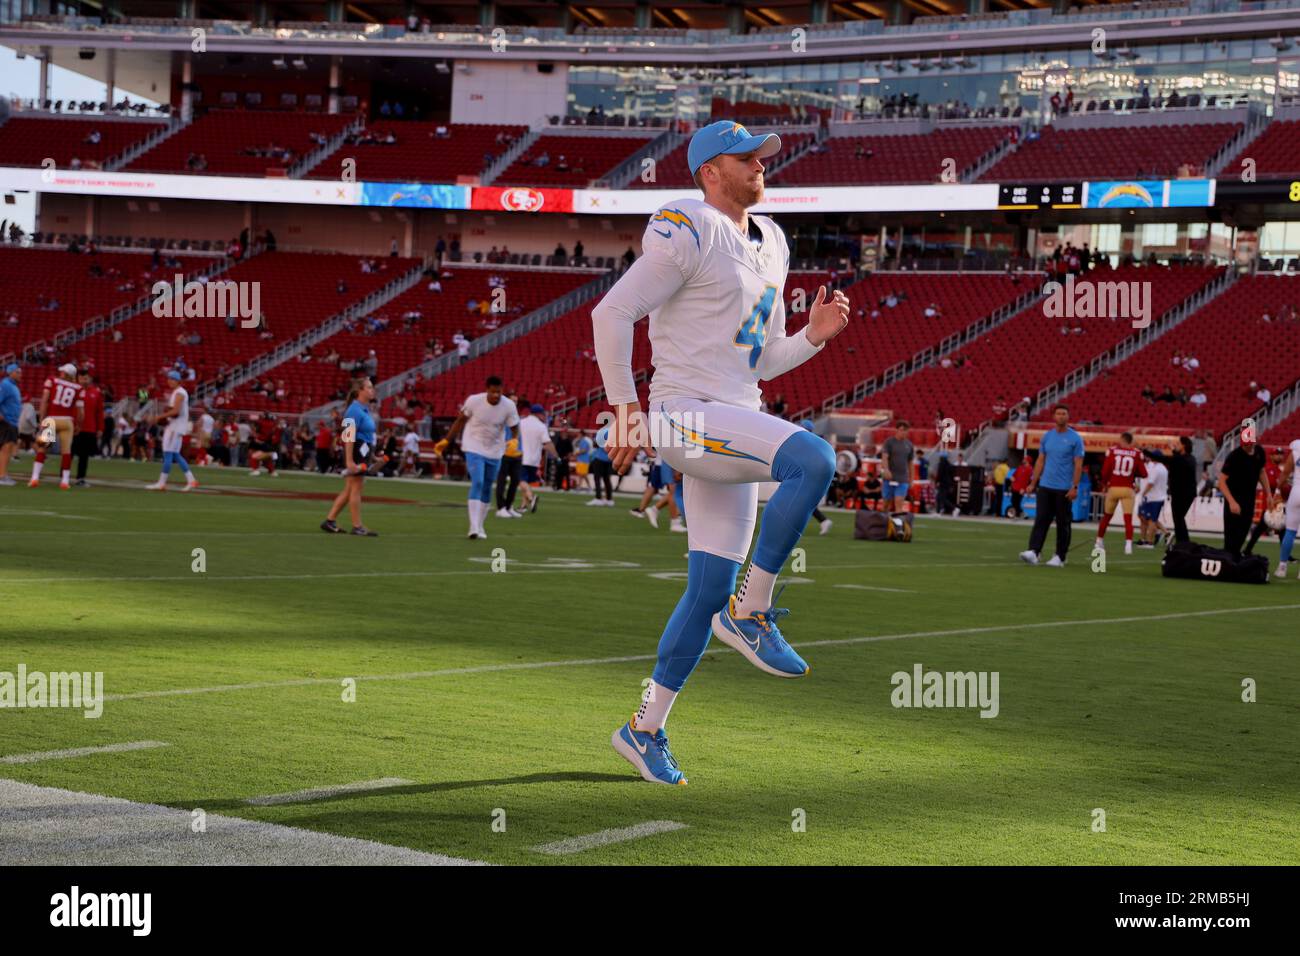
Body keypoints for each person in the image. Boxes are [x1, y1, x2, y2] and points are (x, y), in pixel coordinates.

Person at [593, 118, 849, 785]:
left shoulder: (771, 241)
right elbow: (611, 313)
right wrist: (624, 411)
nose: (762, 165)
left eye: (763, 156)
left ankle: (643, 729)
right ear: (710, 171)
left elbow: (760, 359)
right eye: (747, 157)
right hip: (682, 416)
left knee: (704, 588)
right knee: (814, 461)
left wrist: (814, 338)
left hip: (734, 414)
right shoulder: (688, 223)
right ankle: (754, 608)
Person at [436, 376, 519, 539]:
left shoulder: (509, 406)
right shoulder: (474, 401)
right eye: (493, 391)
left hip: (495, 450)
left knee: (487, 486)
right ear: (487, 389)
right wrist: (446, 440)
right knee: (478, 481)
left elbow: (515, 427)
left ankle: (480, 525)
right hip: (473, 445)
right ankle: (473, 527)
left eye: (499, 392)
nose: (496, 395)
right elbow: (460, 421)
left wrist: (514, 440)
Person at [1019, 404, 1084, 566]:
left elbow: (1078, 464)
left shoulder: (1075, 438)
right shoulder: (1047, 436)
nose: (1061, 416)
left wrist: (1074, 487)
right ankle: (1034, 551)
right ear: (1054, 417)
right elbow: (1040, 461)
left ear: (1068, 417)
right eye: (1058, 414)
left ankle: (1060, 556)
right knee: (1041, 520)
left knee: (1063, 523)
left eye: (1064, 413)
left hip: (1064, 488)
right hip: (1046, 485)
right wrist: (1033, 483)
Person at [321, 378, 379, 536]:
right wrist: (349, 461)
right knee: (356, 488)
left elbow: (366, 436)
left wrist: (372, 456)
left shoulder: (364, 409)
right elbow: (348, 437)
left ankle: (330, 521)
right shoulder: (353, 410)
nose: (372, 390)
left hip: (362, 450)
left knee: (349, 489)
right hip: (355, 451)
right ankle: (357, 526)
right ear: (360, 390)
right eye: (369, 387)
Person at [29, 363, 84, 490]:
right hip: (67, 421)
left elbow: (45, 400)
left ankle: (34, 478)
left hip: (51, 419)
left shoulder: (52, 380)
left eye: (62, 372)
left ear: (66, 373)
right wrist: (79, 425)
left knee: (42, 449)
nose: (60, 373)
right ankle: (65, 481)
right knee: (66, 452)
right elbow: (81, 411)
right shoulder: (79, 388)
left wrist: (42, 419)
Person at [1217, 434, 1269, 557]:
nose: (1247, 446)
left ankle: (1234, 559)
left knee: (1243, 532)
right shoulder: (1234, 456)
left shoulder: (1259, 452)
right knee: (1231, 537)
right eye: (1245, 443)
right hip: (1233, 499)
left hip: (1249, 500)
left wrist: (1269, 494)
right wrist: (1231, 502)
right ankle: (1229, 560)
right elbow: (1222, 481)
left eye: (1250, 443)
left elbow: (1261, 472)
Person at [146, 370, 198, 492]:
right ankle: (191, 480)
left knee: (168, 454)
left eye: (172, 379)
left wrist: (159, 417)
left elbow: (175, 411)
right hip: (175, 427)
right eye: (168, 378)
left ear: (177, 380)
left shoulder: (179, 392)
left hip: (175, 428)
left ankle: (162, 483)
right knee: (175, 455)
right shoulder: (178, 392)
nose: (169, 381)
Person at [1094, 432, 1146, 555]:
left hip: (1113, 488)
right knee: (1127, 519)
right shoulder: (1137, 453)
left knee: (1106, 517)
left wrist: (1104, 484)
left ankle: (1099, 541)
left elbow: (1105, 472)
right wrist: (1133, 474)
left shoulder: (1112, 451)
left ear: (1122, 440)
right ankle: (1128, 545)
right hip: (1128, 489)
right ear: (1131, 441)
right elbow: (1144, 473)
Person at [1144, 437, 1198, 545]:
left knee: (1178, 518)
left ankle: (1183, 542)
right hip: (1184, 493)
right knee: (1179, 518)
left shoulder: (1183, 459)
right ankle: (1183, 541)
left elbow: (1162, 458)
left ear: (1184, 446)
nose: (1176, 445)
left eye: (1178, 443)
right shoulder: (1189, 458)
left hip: (1181, 494)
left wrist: (1143, 450)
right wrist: (1174, 449)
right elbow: (1177, 459)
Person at [514, 402, 555, 515]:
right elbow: (547, 443)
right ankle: (523, 506)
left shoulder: (521, 423)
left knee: (520, 481)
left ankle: (531, 498)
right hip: (534, 459)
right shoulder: (541, 426)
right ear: (538, 414)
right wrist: (556, 455)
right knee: (525, 482)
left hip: (521, 456)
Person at [799, 419, 833, 534]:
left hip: (807, 474)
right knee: (802, 501)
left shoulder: (807, 442)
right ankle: (823, 521)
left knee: (803, 501)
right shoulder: (814, 441)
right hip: (809, 474)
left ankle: (823, 520)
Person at [72, 368, 104, 487]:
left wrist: (100, 428)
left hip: (89, 428)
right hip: (74, 427)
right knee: (68, 453)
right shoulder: (72, 390)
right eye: (82, 378)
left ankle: (80, 478)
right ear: (77, 378)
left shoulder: (96, 392)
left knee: (84, 456)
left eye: (86, 378)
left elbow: (99, 412)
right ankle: (63, 476)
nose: (84, 380)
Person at [1273, 437, 1299, 579]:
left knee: (1290, 532)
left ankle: (1282, 567)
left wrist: (1277, 490)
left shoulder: (1296, 449)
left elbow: (1285, 472)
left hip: (1296, 491)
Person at [879, 420, 913, 514]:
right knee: (886, 504)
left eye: (905, 430)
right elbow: (884, 457)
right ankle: (883, 524)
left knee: (899, 503)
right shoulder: (889, 442)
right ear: (897, 430)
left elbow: (910, 463)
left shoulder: (909, 445)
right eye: (901, 430)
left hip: (902, 478)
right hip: (889, 478)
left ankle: (898, 526)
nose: (903, 432)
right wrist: (886, 469)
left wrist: (911, 479)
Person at [1136, 454, 1168, 548]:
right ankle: (1162, 533)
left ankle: (1149, 541)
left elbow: (1150, 482)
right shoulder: (1161, 468)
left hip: (1151, 497)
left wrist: (1143, 493)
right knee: (1144, 518)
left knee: (1150, 520)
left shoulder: (1155, 468)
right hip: (1153, 496)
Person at [0, 364, 21, 486]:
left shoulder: (13, 386)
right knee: (6, 448)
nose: (20, 374)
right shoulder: (5, 385)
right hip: (6, 421)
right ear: (10, 372)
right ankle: (1, 476)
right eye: (17, 372)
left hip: (12, 421)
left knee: (8, 449)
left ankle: (3, 473)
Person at [589, 421, 614, 506]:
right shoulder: (614, 432)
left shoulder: (602, 431)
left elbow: (595, 444)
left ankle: (598, 498)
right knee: (607, 480)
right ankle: (609, 499)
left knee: (597, 479)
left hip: (599, 458)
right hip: (609, 459)